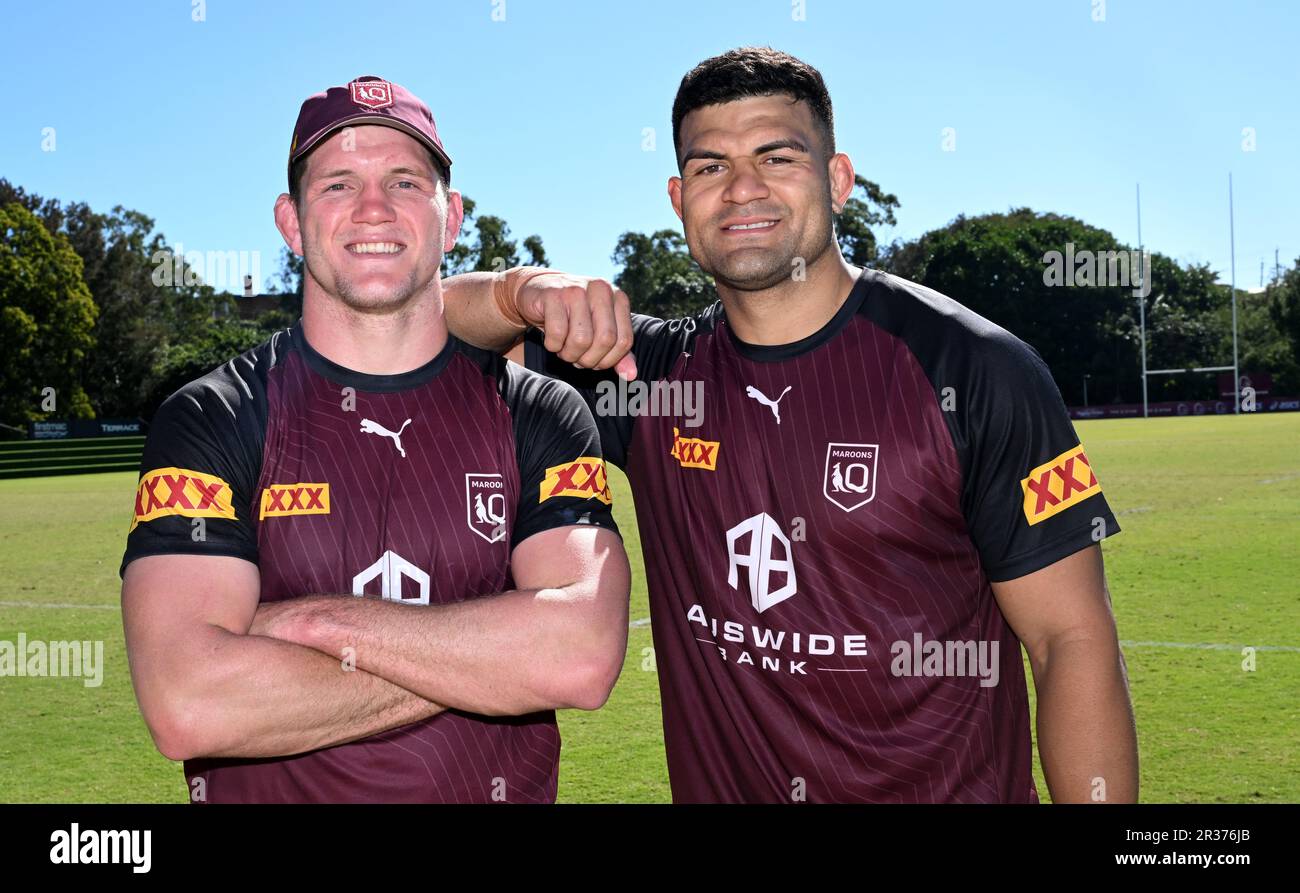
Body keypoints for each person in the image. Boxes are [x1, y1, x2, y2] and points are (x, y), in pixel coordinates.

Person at [446, 48, 1139, 803]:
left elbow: (1070, 641)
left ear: (838, 178)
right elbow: (423, 326)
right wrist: (524, 288)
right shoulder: (640, 376)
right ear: (678, 197)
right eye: (710, 167)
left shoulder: (970, 367)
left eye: (777, 156)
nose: (743, 188)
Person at [120, 75, 631, 804]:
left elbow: (578, 657)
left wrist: (313, 621)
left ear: (450, 218)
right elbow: (189, 704)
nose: (372, 208)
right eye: (336, 185)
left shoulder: (539, 412)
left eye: (403, 180)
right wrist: (494, 656)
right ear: (290, 222)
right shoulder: (212, 417)